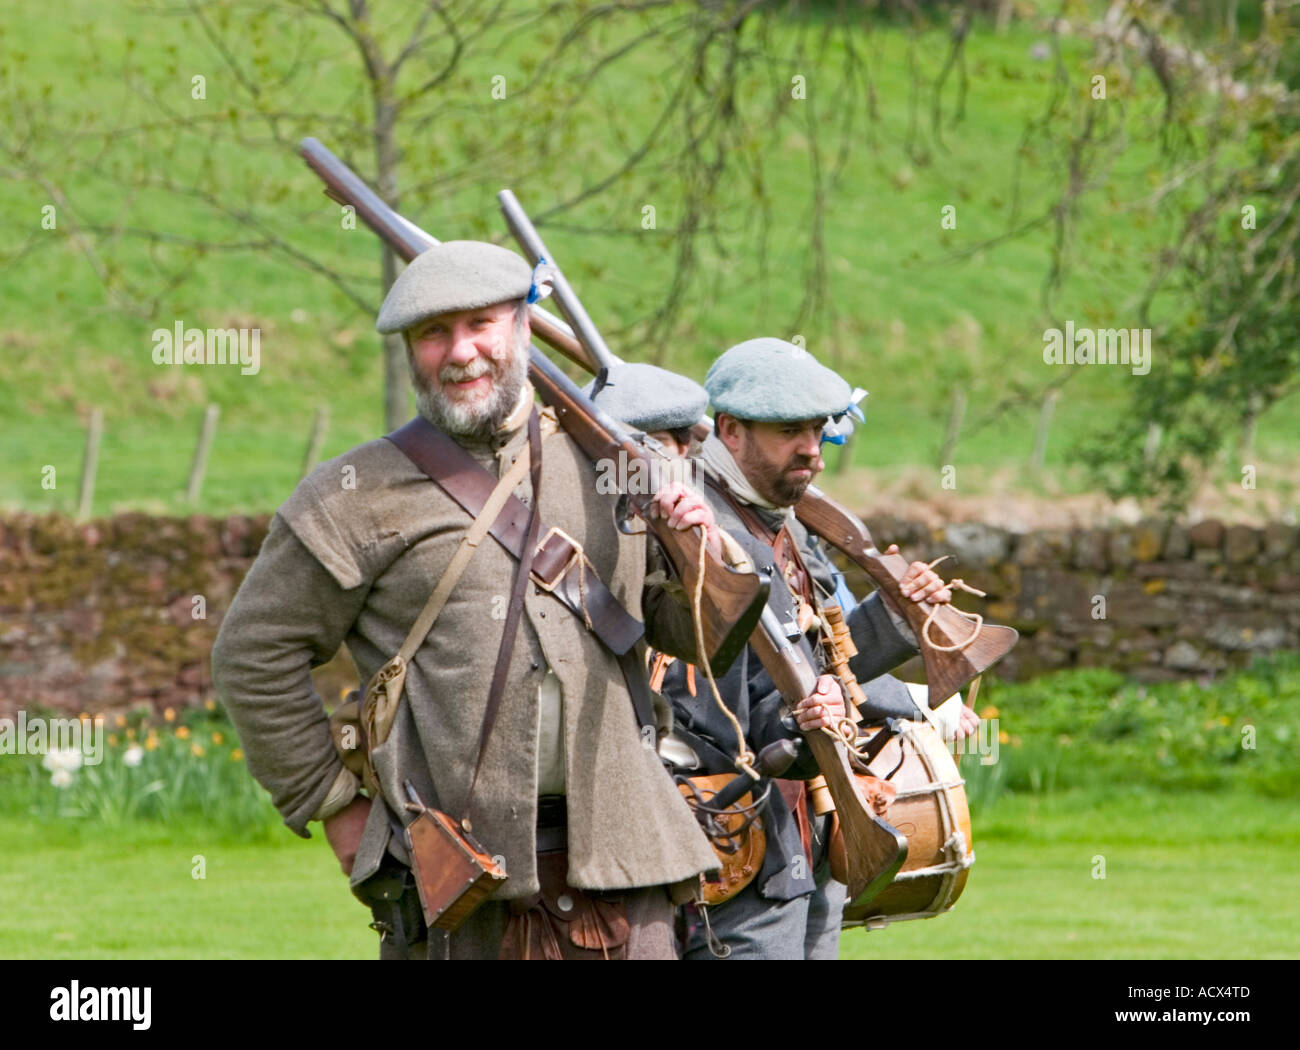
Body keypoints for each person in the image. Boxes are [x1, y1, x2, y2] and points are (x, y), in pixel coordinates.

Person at [212, 240, 747, 960]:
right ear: (410, 351)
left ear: (523, 326)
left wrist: (710, 551)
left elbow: (689, 634)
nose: (460, 352)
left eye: (479, 325)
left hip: (628, 866)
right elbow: (252, 654)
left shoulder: (619, 464)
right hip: (458, 881)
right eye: (434, 333)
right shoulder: (352, 495)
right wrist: (332, 805)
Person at [659, 337, 962, 960]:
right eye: (789, 431)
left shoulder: (783, 523)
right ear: (730, 431)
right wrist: (815, 721)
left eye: (818, 430)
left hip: (806, 841)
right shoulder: (702, 542)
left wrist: (897, 615)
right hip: (735, 849)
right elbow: (721, 718)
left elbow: (820, 656)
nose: (813, 452)